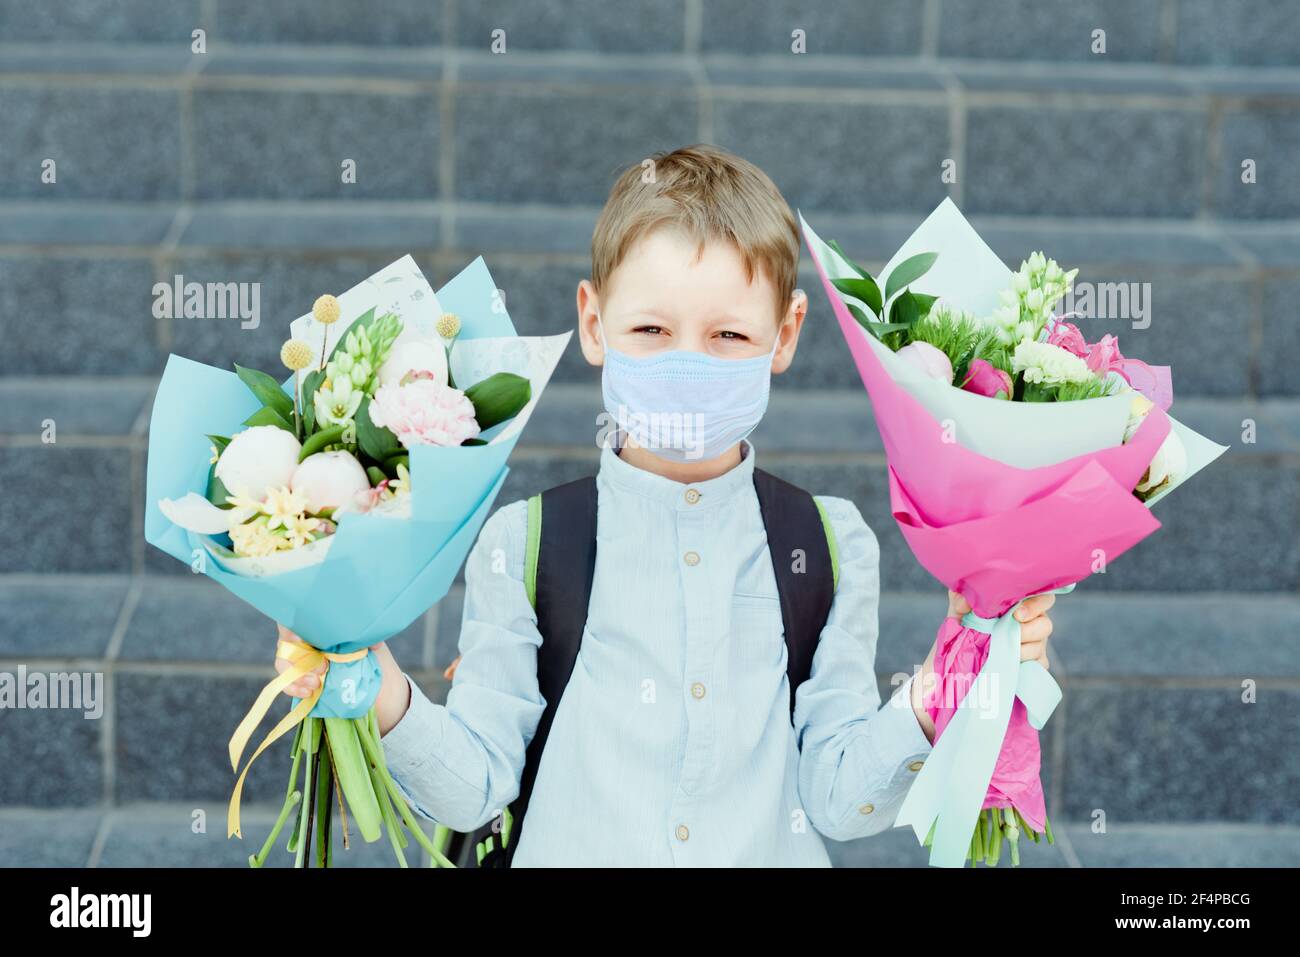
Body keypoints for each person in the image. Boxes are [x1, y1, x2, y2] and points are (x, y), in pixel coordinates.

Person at [275, 144, 1054, 866]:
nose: (688, 360)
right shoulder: (527, 542)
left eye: (727, 334)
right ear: (593, 322)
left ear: (785, 335)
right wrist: (363, 676)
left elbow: (838, 798)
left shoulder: (827, 544)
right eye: (650, 328)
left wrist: (952, 679)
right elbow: (478, 782)